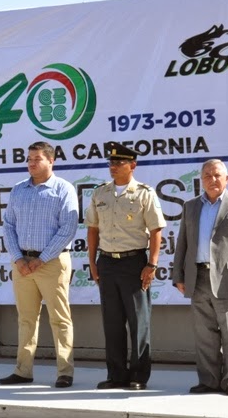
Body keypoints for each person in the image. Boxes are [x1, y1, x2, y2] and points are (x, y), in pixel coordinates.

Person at [171, 159, 228, 397]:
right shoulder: (190, 207)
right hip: (197, 277)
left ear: (226, 179)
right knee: (204, 334)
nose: (212, 179)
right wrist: (177, 274)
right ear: (201, 180)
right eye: (207, 175)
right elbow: (182, 244)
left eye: (217, 175)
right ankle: (208, 380)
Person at [86, 141, 166, 390]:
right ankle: (116, 375)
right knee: (112, 322)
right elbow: (92, 229)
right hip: (107, 262)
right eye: (110, 163)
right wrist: (92, 263)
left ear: (132, 165)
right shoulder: (100, 193)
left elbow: (155, 231)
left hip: (134, 263)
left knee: (138, 322)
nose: (113, 167)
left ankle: (138, 376)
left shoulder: (144, 193)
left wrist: (151, 264)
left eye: (118, 163)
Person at [0, 141, 78, 388]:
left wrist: (42, 259)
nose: (31, 163)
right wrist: (18, 258)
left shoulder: (63, 189)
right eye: (29, 159)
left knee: (59, 318)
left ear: (51, 161)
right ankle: (23, 370)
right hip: (22, 264)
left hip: (52, 262)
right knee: (26, 318)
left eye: (37, 159)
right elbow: (8, 225)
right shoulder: (19, 190)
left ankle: (65, 371)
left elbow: (68, 228)